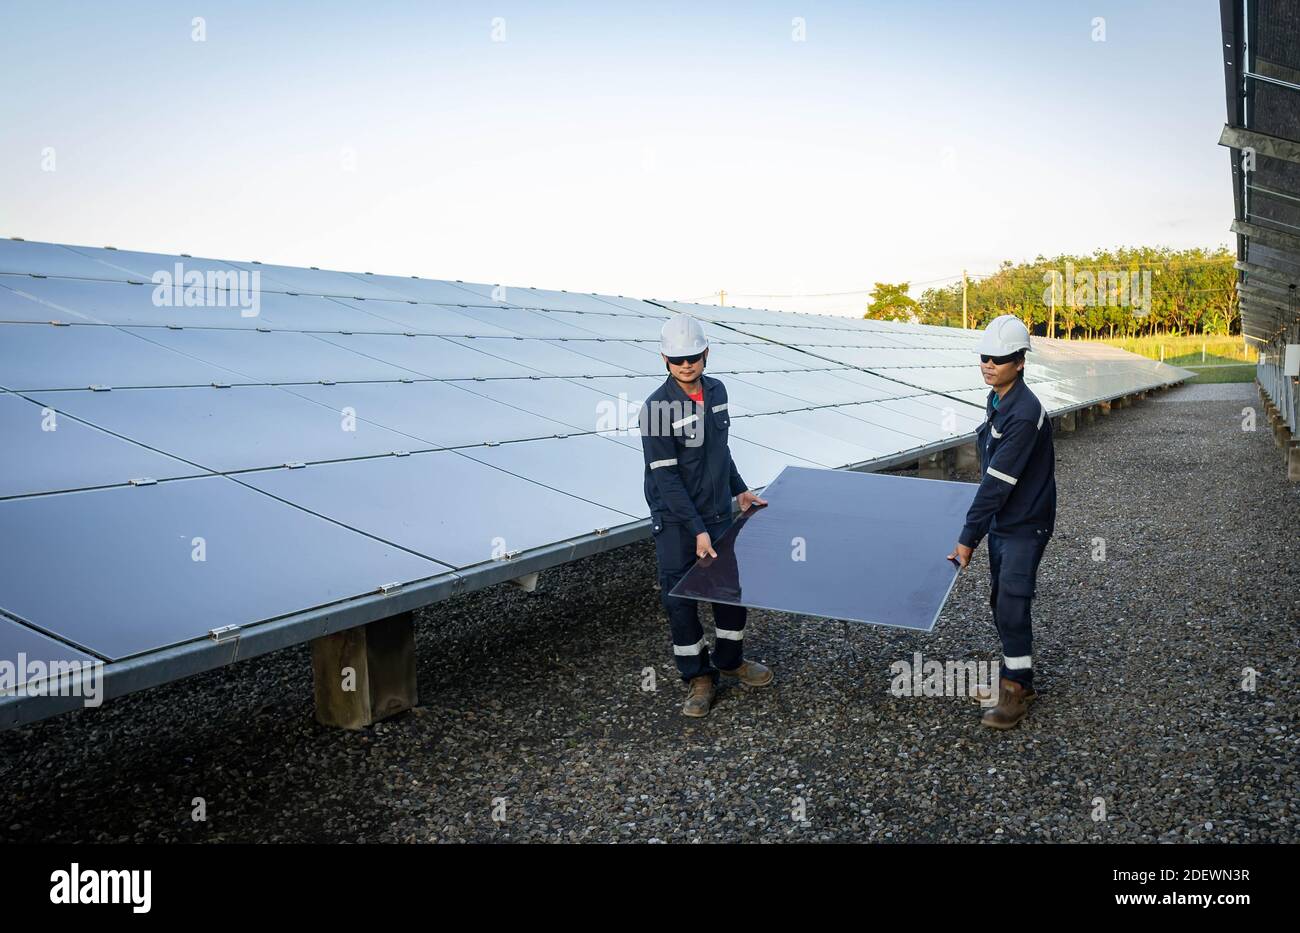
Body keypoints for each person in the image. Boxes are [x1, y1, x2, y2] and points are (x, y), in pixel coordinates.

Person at [639, 314, 770, 717]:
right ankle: (698, 676)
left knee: (728, 590)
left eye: (693, 356)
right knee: (680, 598)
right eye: (678, 359)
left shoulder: (717, 391)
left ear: (706, 353)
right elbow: (668, 480)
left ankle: (730, 661)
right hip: (677, 521)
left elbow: (720, 452)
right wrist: (697, 530)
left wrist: (740, 489)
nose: (686, 365)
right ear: (664, 358)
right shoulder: (657, 408)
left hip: (717, 512)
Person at [946, 314, 1057, 730]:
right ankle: (1019, 677)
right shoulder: (998, 400)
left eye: (1000, 358)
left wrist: (966, 538)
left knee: (1012, 600)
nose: (989, 364)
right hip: (1004, 520)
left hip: (1025, 522)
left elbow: (995, 484)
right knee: (1000, 600)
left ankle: (1016, 690)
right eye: (984, 357)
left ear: (1021, 362)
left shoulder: (1024, 413)